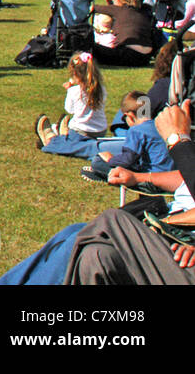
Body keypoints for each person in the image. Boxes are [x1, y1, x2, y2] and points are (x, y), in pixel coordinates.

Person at [65, 100, 195, 284]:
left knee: (112, 220)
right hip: (179, 242)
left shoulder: (140, 129)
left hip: (181, 241)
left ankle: (57, 141)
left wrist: (177, 140)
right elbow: (186, 179)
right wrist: (138, 177)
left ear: (130, 117)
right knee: (97, 255)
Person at [33, 52, 108, 157]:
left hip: (81, 131)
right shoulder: (102, 90)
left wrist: (69, 89)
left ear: (75, 74)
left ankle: (51, 139)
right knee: (72, 128)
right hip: (100, 131)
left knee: (67, 139)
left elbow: (69, 110)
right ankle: (63, 131)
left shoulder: (74, 91)